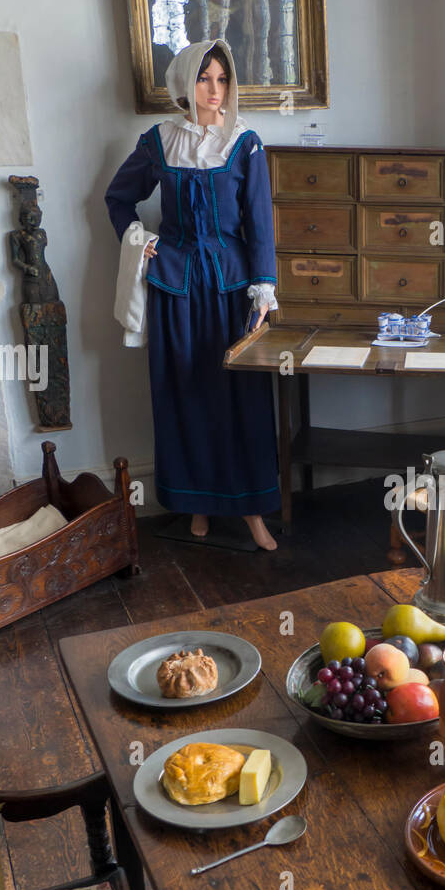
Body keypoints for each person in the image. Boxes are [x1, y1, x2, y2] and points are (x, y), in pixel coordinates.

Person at [105, 39, 280, 550]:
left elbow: (259, 225)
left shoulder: (244, 142)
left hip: (232, 289)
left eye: (223, 79)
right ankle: (196, 505)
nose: (215, 89)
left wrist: (262, 291)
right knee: (184, 393)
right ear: (187, 83)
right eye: (205, 79)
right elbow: (118, 200)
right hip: (176, 287)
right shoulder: (158, 142)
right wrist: (143, 240)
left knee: (240, 399)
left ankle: (251, 512)